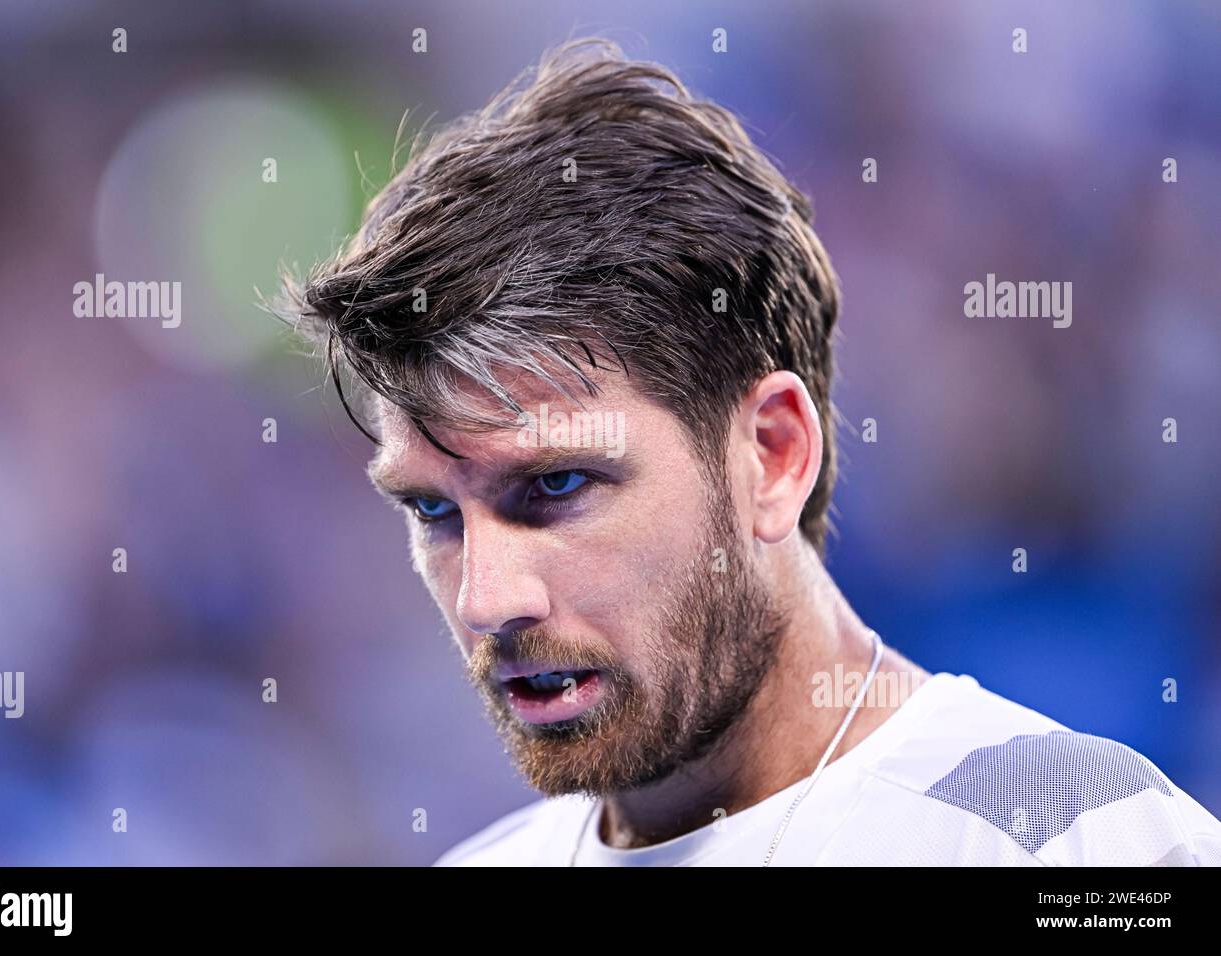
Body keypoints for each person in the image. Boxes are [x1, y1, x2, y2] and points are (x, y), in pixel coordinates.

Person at [277, 38, 1221, 866]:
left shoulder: (1077, 847)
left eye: (553, 487)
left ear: (771, 455)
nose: (487, 599)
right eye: (432, 510)